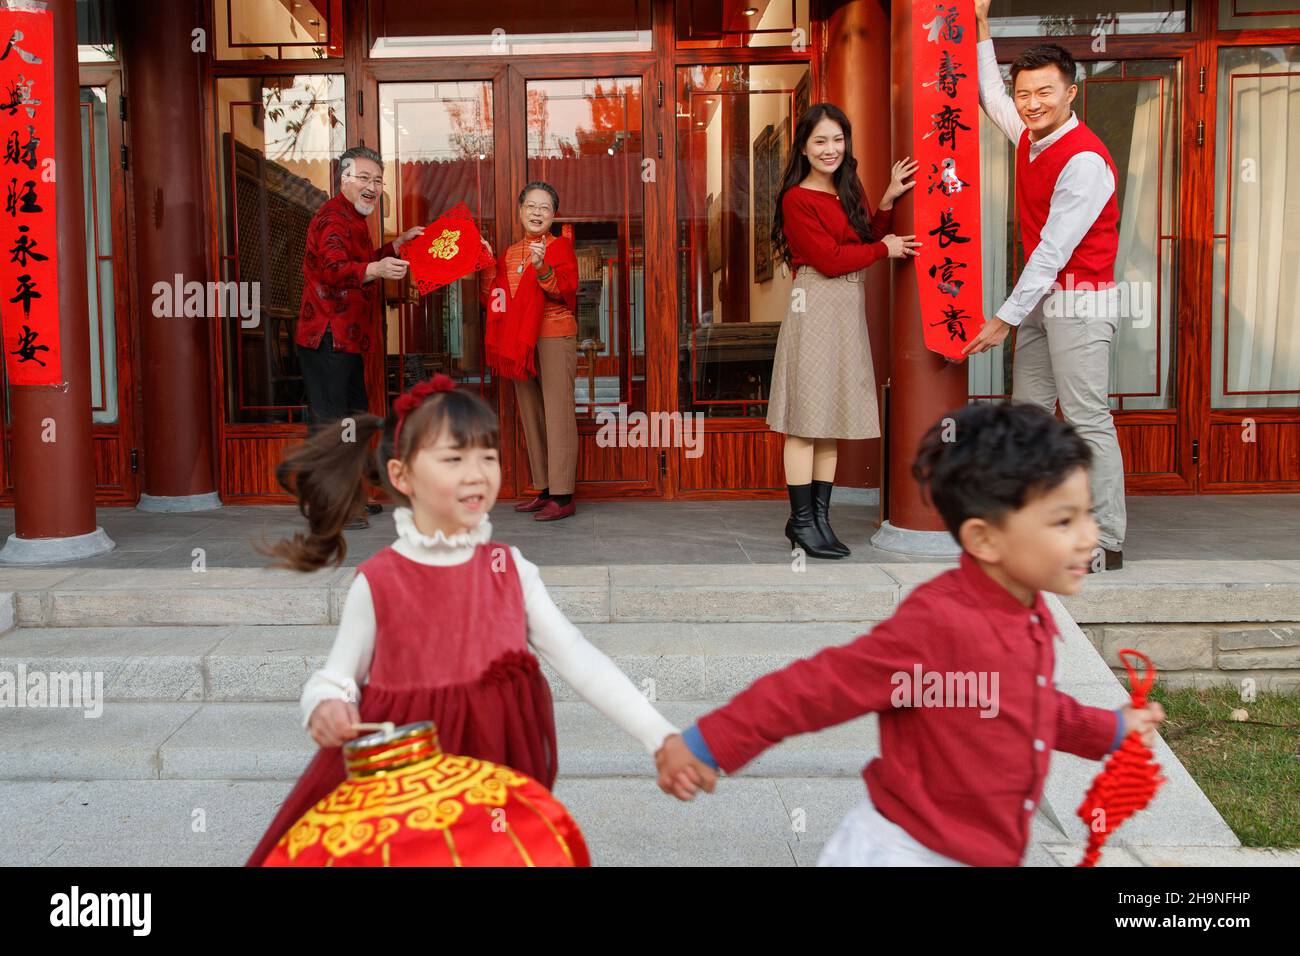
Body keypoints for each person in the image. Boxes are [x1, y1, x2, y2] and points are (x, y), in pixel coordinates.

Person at [654, 403, 1166, 866]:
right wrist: (707, 743)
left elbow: (1027, 703)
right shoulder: (939, 623)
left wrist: (1109, 730)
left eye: (1087, 516)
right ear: (984, 538)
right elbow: (816, 687)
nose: (1089, 537)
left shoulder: (1028, 616)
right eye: (1063, 521)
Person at [245, 375, 684, 865]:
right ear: (402, 475)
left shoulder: (511, 570)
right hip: (402, 798)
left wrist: (659, 735)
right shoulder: (380, 580)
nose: (476, 473)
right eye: (454, 459)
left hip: (491, 784)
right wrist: (327, 703)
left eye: (488, 456)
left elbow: (579, 657)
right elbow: (336, 677)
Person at [962, 0, 1126, 571]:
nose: (1031, 104)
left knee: (1087, 418)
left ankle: (1105, 539)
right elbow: (990, 97)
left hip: (1080, 300)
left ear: (1071, 92)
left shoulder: (1083, 161)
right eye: (1026, 93)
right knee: (1030, 413)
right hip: (1042, 302)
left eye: (1045, 93)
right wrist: (982, 27)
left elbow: (1054, 251)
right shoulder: (1032, 138)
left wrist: (1003, 319)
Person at [767, 103, 921, 559]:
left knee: (829, 417)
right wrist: (883, 248)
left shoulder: (846, 189)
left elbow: (862, 239)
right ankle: (800, 522)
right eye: (820, 141)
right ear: (804, 147)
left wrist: (888, 201)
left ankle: (819, 521)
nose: (830, 149)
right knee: (805, 422)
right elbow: (832, 259)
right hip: (815, 304)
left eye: (837, 140)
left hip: (845, 308)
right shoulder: (796, 198)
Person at [295, 144, 423, 530]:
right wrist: (378, 266)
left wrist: (393, 248)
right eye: (364, 178)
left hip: (348, 339)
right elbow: (336, 269)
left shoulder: (354, 219)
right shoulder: (332, 218)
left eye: (378, 180)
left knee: (351, 420)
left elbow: (358, 263)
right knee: (332, 426)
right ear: (344, 179)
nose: (372, 186)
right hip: (327, 337)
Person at [480, 182, 580, 522]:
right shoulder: (509, 253)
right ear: (521, 210)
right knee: (532, 412)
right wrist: (484, 263)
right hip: (521, 340)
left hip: (553, 334)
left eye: (545, 208)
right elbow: (497, 298)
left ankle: (564, 495)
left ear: (553, 215)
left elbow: (565, 289)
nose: (537, 213)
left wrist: (541, 268)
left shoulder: (560, 248)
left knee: (558, 413)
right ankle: (546, 489)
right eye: (531, 207)